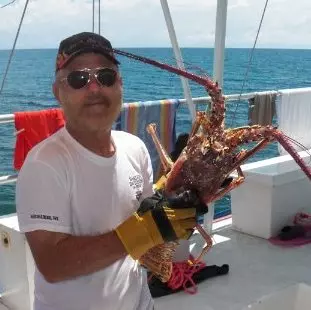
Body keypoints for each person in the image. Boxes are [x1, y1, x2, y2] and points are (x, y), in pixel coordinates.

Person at [15, 32, 206, 310]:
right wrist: (142, 231)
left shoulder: (136, 148)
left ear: (120, 84)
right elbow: (53, 265)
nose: (94, 89)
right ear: (58, 92)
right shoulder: (44, 164)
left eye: (105, 76)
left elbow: (149, 235)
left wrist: (180, 196)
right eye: (78, 79)